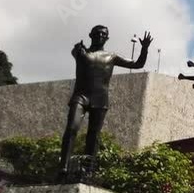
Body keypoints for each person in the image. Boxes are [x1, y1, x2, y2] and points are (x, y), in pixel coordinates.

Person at [59, 26, 150, 181]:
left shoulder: (111, 56)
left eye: (103, 34)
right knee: (72, 128)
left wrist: (144, 49)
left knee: (93, 136)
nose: (100, 36)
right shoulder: (81, 51)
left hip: (100, 99)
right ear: (90, 35)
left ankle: (88, 170)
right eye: (97, 33)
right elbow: (76, 54)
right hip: (80, 96)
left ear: (107, 38)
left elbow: (137, 65)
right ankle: (63, 167)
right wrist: (78, 49)